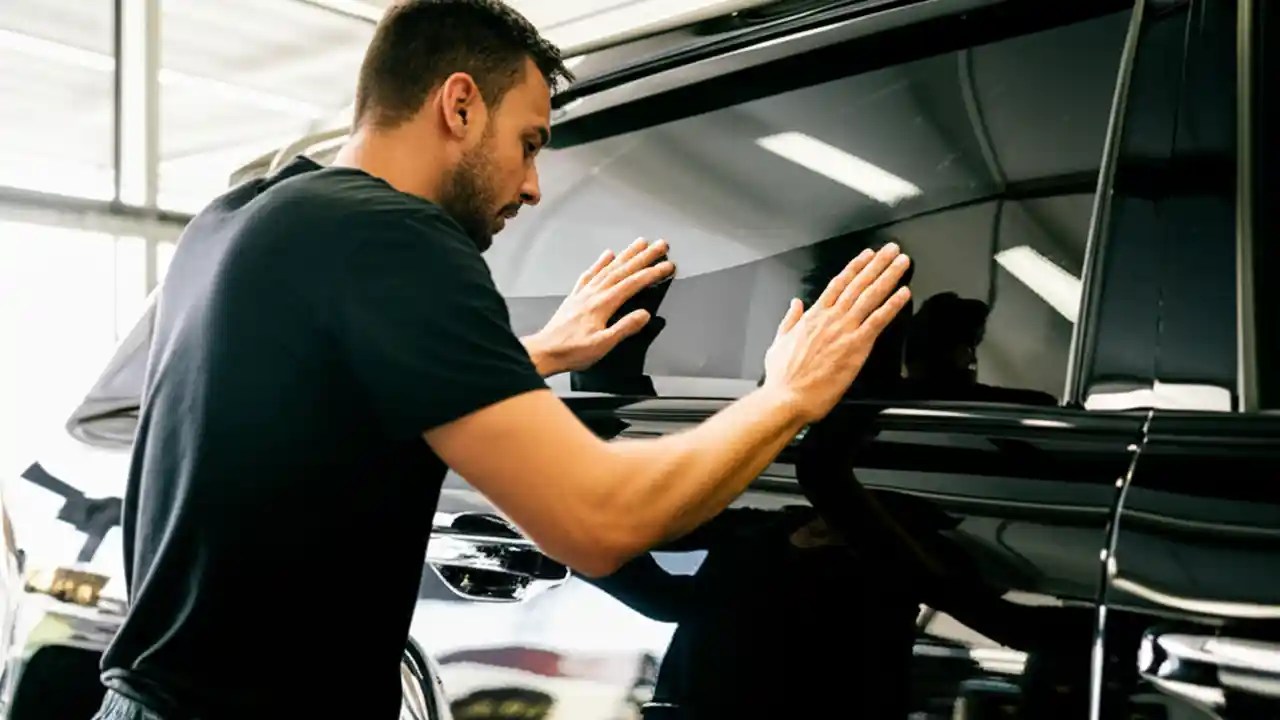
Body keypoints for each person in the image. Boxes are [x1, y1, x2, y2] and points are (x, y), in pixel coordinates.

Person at [92, 1, 912, 718]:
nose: (533, 186)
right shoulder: (398, 236)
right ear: (458, 104)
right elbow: (597, 525)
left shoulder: (241, 217)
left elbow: (317, 389)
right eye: (529, 142)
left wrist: (541, 351)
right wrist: (788, 396)